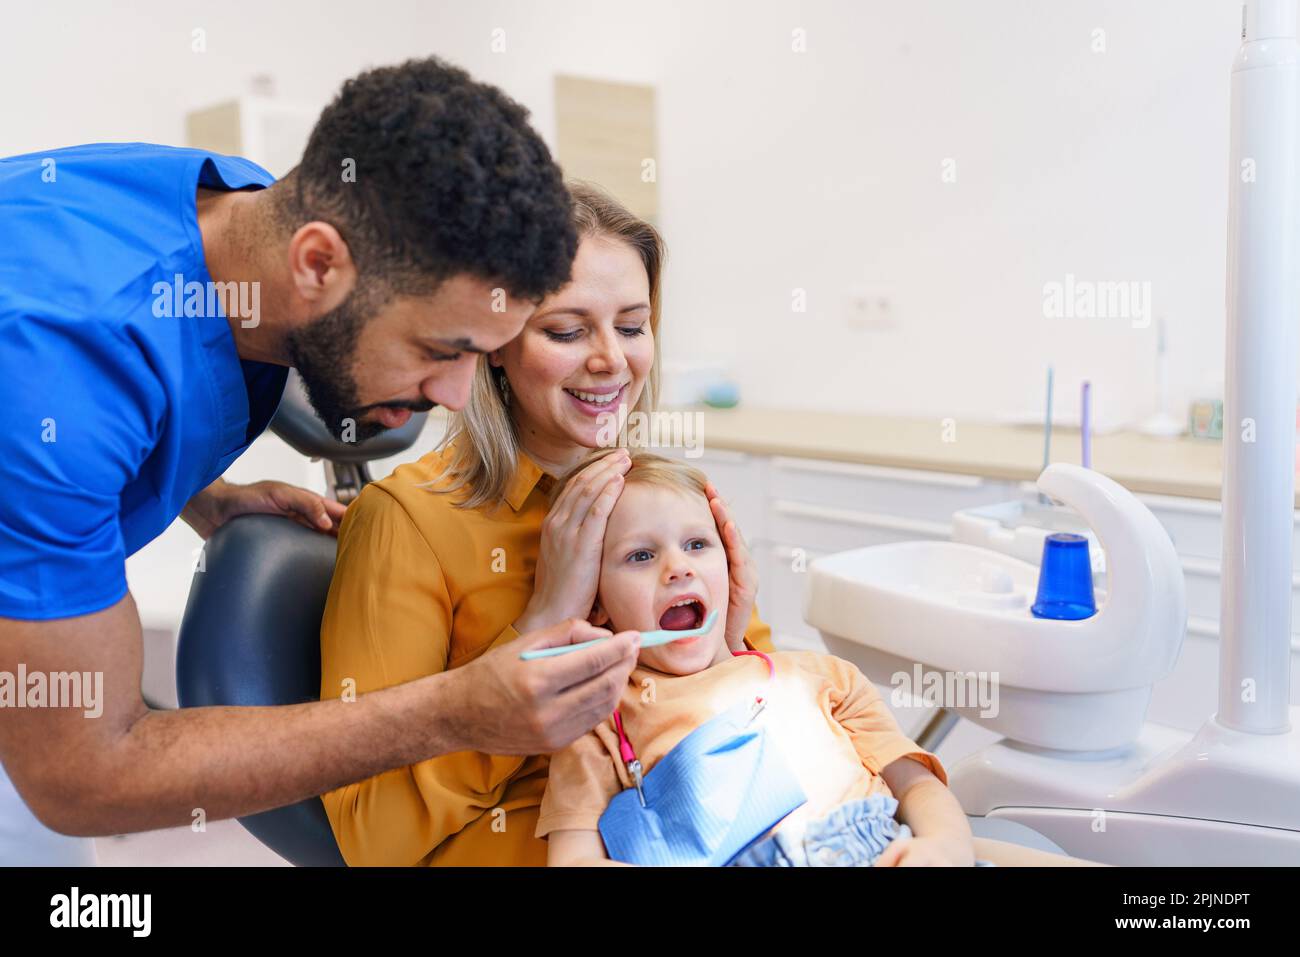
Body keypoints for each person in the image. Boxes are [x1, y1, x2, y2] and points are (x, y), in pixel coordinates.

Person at [0, 57, 639, 858]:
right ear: (316, 264)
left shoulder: (239, 214)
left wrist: (204, 490)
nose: (454, 393)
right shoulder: (53, 375)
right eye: (441, 348)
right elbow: (84, 775)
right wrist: (453, 711)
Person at [319, 182, 773, 864]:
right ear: (493, 343)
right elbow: (368, 835)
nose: (611, 361)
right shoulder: (406, 523)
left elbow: (760, 723)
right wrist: (541, 624)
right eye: (567, 330)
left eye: (630, 326)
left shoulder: (667, 503)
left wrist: (732, 648)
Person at [537, 450, 979, 867]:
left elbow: (918, 786)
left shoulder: (827, 678)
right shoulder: (597, 727)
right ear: (596, 604)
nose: (678, 567)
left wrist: (942, 845)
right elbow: (575, 859)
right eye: (640, 555)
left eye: (696, 544)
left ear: (730, 566)